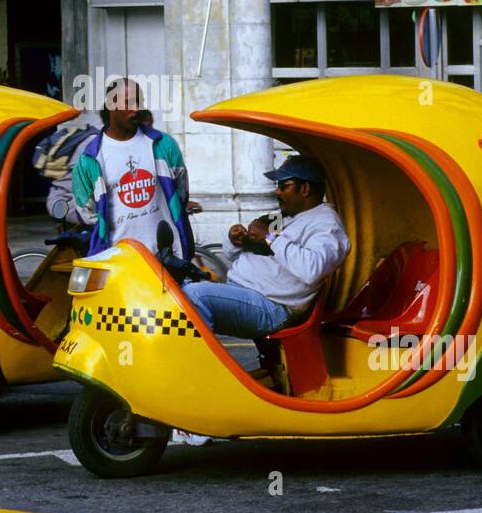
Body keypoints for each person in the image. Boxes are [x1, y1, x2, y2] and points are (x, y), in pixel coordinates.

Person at [182, 154, 349, 345]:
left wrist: (269, 238)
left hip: (271, 306)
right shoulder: (282, 218)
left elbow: (312, 270)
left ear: (305, 189)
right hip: (242, 292)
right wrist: (237, 240)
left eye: (284, 186)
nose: (277, 192)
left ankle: (204, 365)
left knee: (194, 297)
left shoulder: (327, 224)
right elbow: (238, 254)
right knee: (177, 290)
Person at [71, 78, 193, 260]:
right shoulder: (90, 158)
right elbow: (86, 212)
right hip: (118, 260)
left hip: (168, 257)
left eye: (140, 102)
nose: (137, 109)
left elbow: (181, 193)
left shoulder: (163, 144)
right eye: (129, 103)